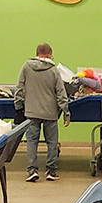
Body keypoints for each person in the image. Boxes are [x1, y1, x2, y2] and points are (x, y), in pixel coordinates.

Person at [14, 43, 70, 182]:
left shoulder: (26, 67)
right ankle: (51, 171)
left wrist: (18, 107)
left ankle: (32, 170)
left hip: (31, 112)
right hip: (50, 113)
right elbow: (61, 93)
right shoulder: (54, 71)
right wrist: (66, 112)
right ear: (50, 53)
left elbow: (19, 88)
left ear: (37, 53)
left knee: (31, 141)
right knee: (52, 142)